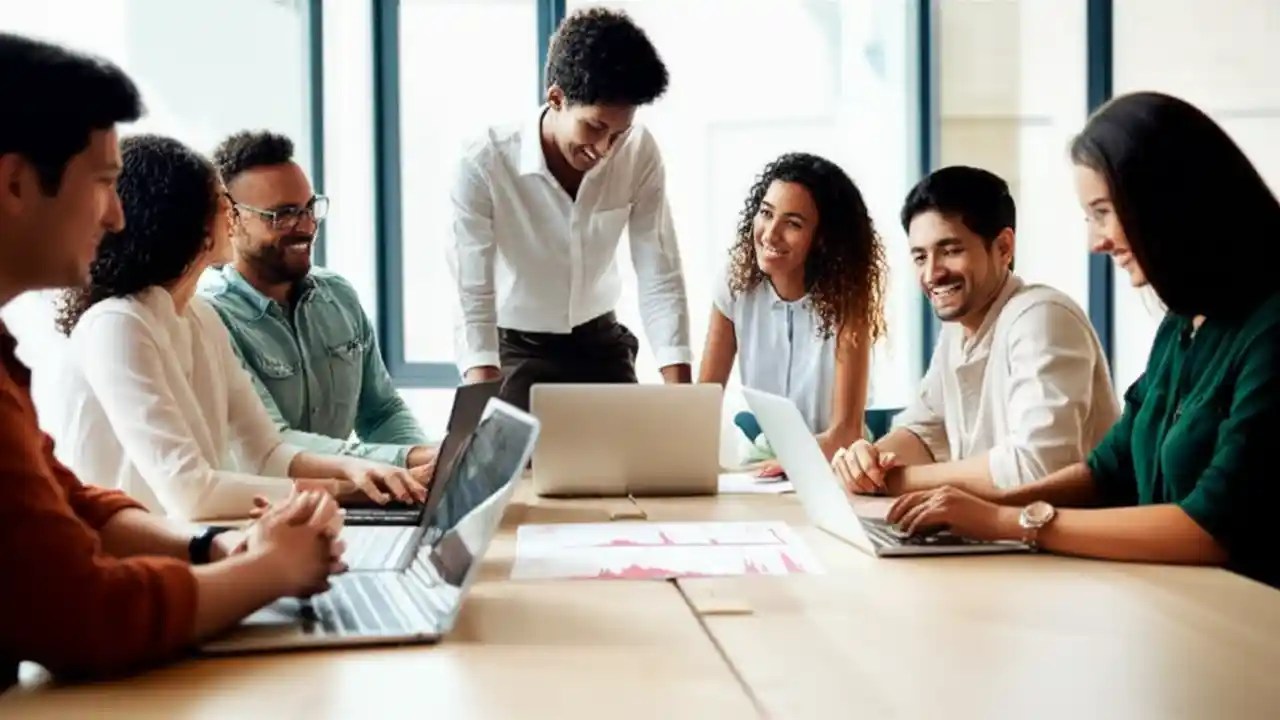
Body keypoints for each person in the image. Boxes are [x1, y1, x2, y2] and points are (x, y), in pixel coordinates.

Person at [0, 32, 343, 688]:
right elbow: (83, 613)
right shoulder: (115, 325)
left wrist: (217, 548)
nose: (117, 214)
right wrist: (266, 570)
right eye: (103, 183)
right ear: (16, 182)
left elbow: (72, 501)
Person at [884, 92, 1280, 589]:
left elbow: (1210, 526)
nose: (1096, 241)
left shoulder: (1269, 327)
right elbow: (1108, 471)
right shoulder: (1183, 324)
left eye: (1103, 212)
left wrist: (1010, 522)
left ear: (1169, 201)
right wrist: (978, 511)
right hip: (1176, 602)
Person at [53, 134, 425, 521]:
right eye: (222, 202)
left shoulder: (200, 318)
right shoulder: (118, 325)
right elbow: (191, 492)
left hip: (197, 549)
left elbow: (266, 454)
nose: (231, 215)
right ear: (185, 223)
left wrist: (366, 472)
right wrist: (344, 492)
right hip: (124, 566)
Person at [448, 7, 692, 411]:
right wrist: (482, 404)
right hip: (515, 349)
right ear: (556, 98)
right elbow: (472, 294)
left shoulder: (639, 151)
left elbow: (659, 271)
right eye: (595, 127)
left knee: (640, 464)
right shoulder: (483, 162)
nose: (605, 149)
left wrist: (683, 401)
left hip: (600, 343)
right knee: (521, 469)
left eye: (619, 132)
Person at [832, 166, 1120, 496]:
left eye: (951, 250)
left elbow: (1039, 466)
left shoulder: (1042, 317)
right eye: (920, 256)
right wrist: (870, 463)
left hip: (1061, 539)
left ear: (1003, 248)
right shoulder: (958, 330)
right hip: (996, 537)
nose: (932, 273)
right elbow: (925, 431)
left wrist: (899, 480)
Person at [199, 130, 435, 473]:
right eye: (282, 215)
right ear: (230, 219)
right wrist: (408, 460)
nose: (306, 226)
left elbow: (381, 412)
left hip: (349, 500)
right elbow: (274, 445)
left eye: (310, 208)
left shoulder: (337, 295)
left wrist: (430, 463)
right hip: (265, 511)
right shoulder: (211, 318)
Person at [699, 153, 885, 465]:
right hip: (766, 457)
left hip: (837, 460)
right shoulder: (734, 285)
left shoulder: (848, 299)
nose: (770, 234)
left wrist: (788, 462)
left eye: (793, 224)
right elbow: (702, 407)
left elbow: (846, 433)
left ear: (824, 238)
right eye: (766, 213)